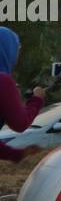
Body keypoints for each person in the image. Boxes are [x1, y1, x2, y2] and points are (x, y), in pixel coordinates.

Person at [0, 27, 45, 163]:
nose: (18, 53)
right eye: (17, 47)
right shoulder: (3, 81)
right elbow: (20, 124)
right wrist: (37, 99)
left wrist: (17, 154)